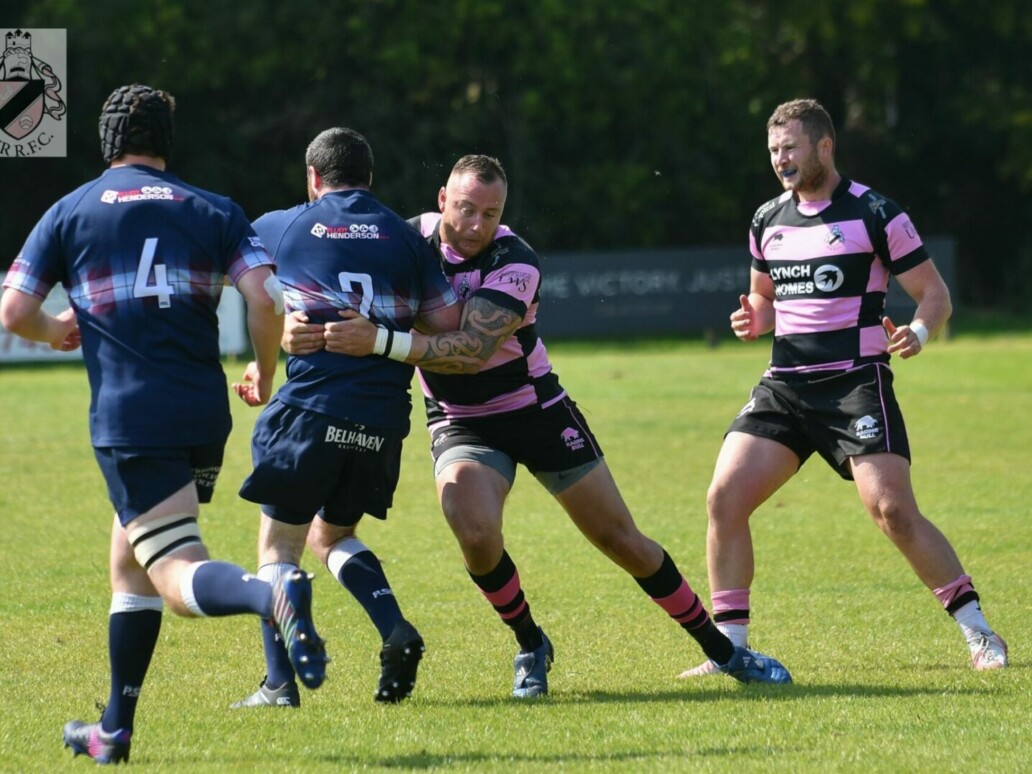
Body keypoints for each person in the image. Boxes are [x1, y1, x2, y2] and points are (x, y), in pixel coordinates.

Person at [283, 154, 793, 698]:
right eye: (465, 209)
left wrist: (382, 342)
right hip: (461, 423)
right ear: (441, 201)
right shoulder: (406, 241)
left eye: (490, 212)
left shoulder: (515, 260)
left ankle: (724, 652)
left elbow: (471, 351)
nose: (477, 224)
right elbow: (342, 296)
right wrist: (296, 329)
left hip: (536, 412)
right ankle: (530, 644)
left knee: (621, 541)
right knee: (475, 533)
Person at [0, 84, 327, 765]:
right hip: (203, 414)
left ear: (106, 141)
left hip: (131, 418)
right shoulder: (212, 208)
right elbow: (265, 298)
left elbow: (13, 313)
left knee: (176, 575)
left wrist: (56, 326)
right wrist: (264, 373)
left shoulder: (72, 210)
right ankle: (113, 730)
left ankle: (267, 592)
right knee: (130, 558)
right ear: (165, 143)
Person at [678, 98, 1007, 679]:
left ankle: (979, 632)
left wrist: (920, 331)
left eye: (791, 148)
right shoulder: (766, 219)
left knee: (892, 510)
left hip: (855, 384)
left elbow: (936, 294)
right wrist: (756, 317)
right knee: (723, 498)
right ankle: (730, 650)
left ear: (824, 148)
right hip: (786, 386)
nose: (781, 159)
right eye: (774, 149)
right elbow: (765, 298)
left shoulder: (876, 212)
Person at [230, 127, 460, 709]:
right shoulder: (406, 239)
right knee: (332, 534)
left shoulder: (284, 224)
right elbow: (448, 320)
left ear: (313, 178)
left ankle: (279, 685)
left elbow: (250, 286)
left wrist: (287, 327)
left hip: (311, 411)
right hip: (382, 421)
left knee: (277, 549)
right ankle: (394, 629)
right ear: (370, 178)